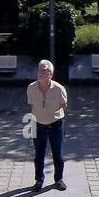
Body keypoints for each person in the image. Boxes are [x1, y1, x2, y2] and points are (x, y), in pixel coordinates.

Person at [26, 59, 69, 190]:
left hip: (56, 124)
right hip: (37, 124)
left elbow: (64, 105)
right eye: (40, 69)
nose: (41, 72)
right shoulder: (31, 88)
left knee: (58, 154)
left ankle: (59, 180)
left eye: (45, 70)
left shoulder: (59, 89)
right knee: (38, 155)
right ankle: (39, 180)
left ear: (50, 73)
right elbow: (31, 103)